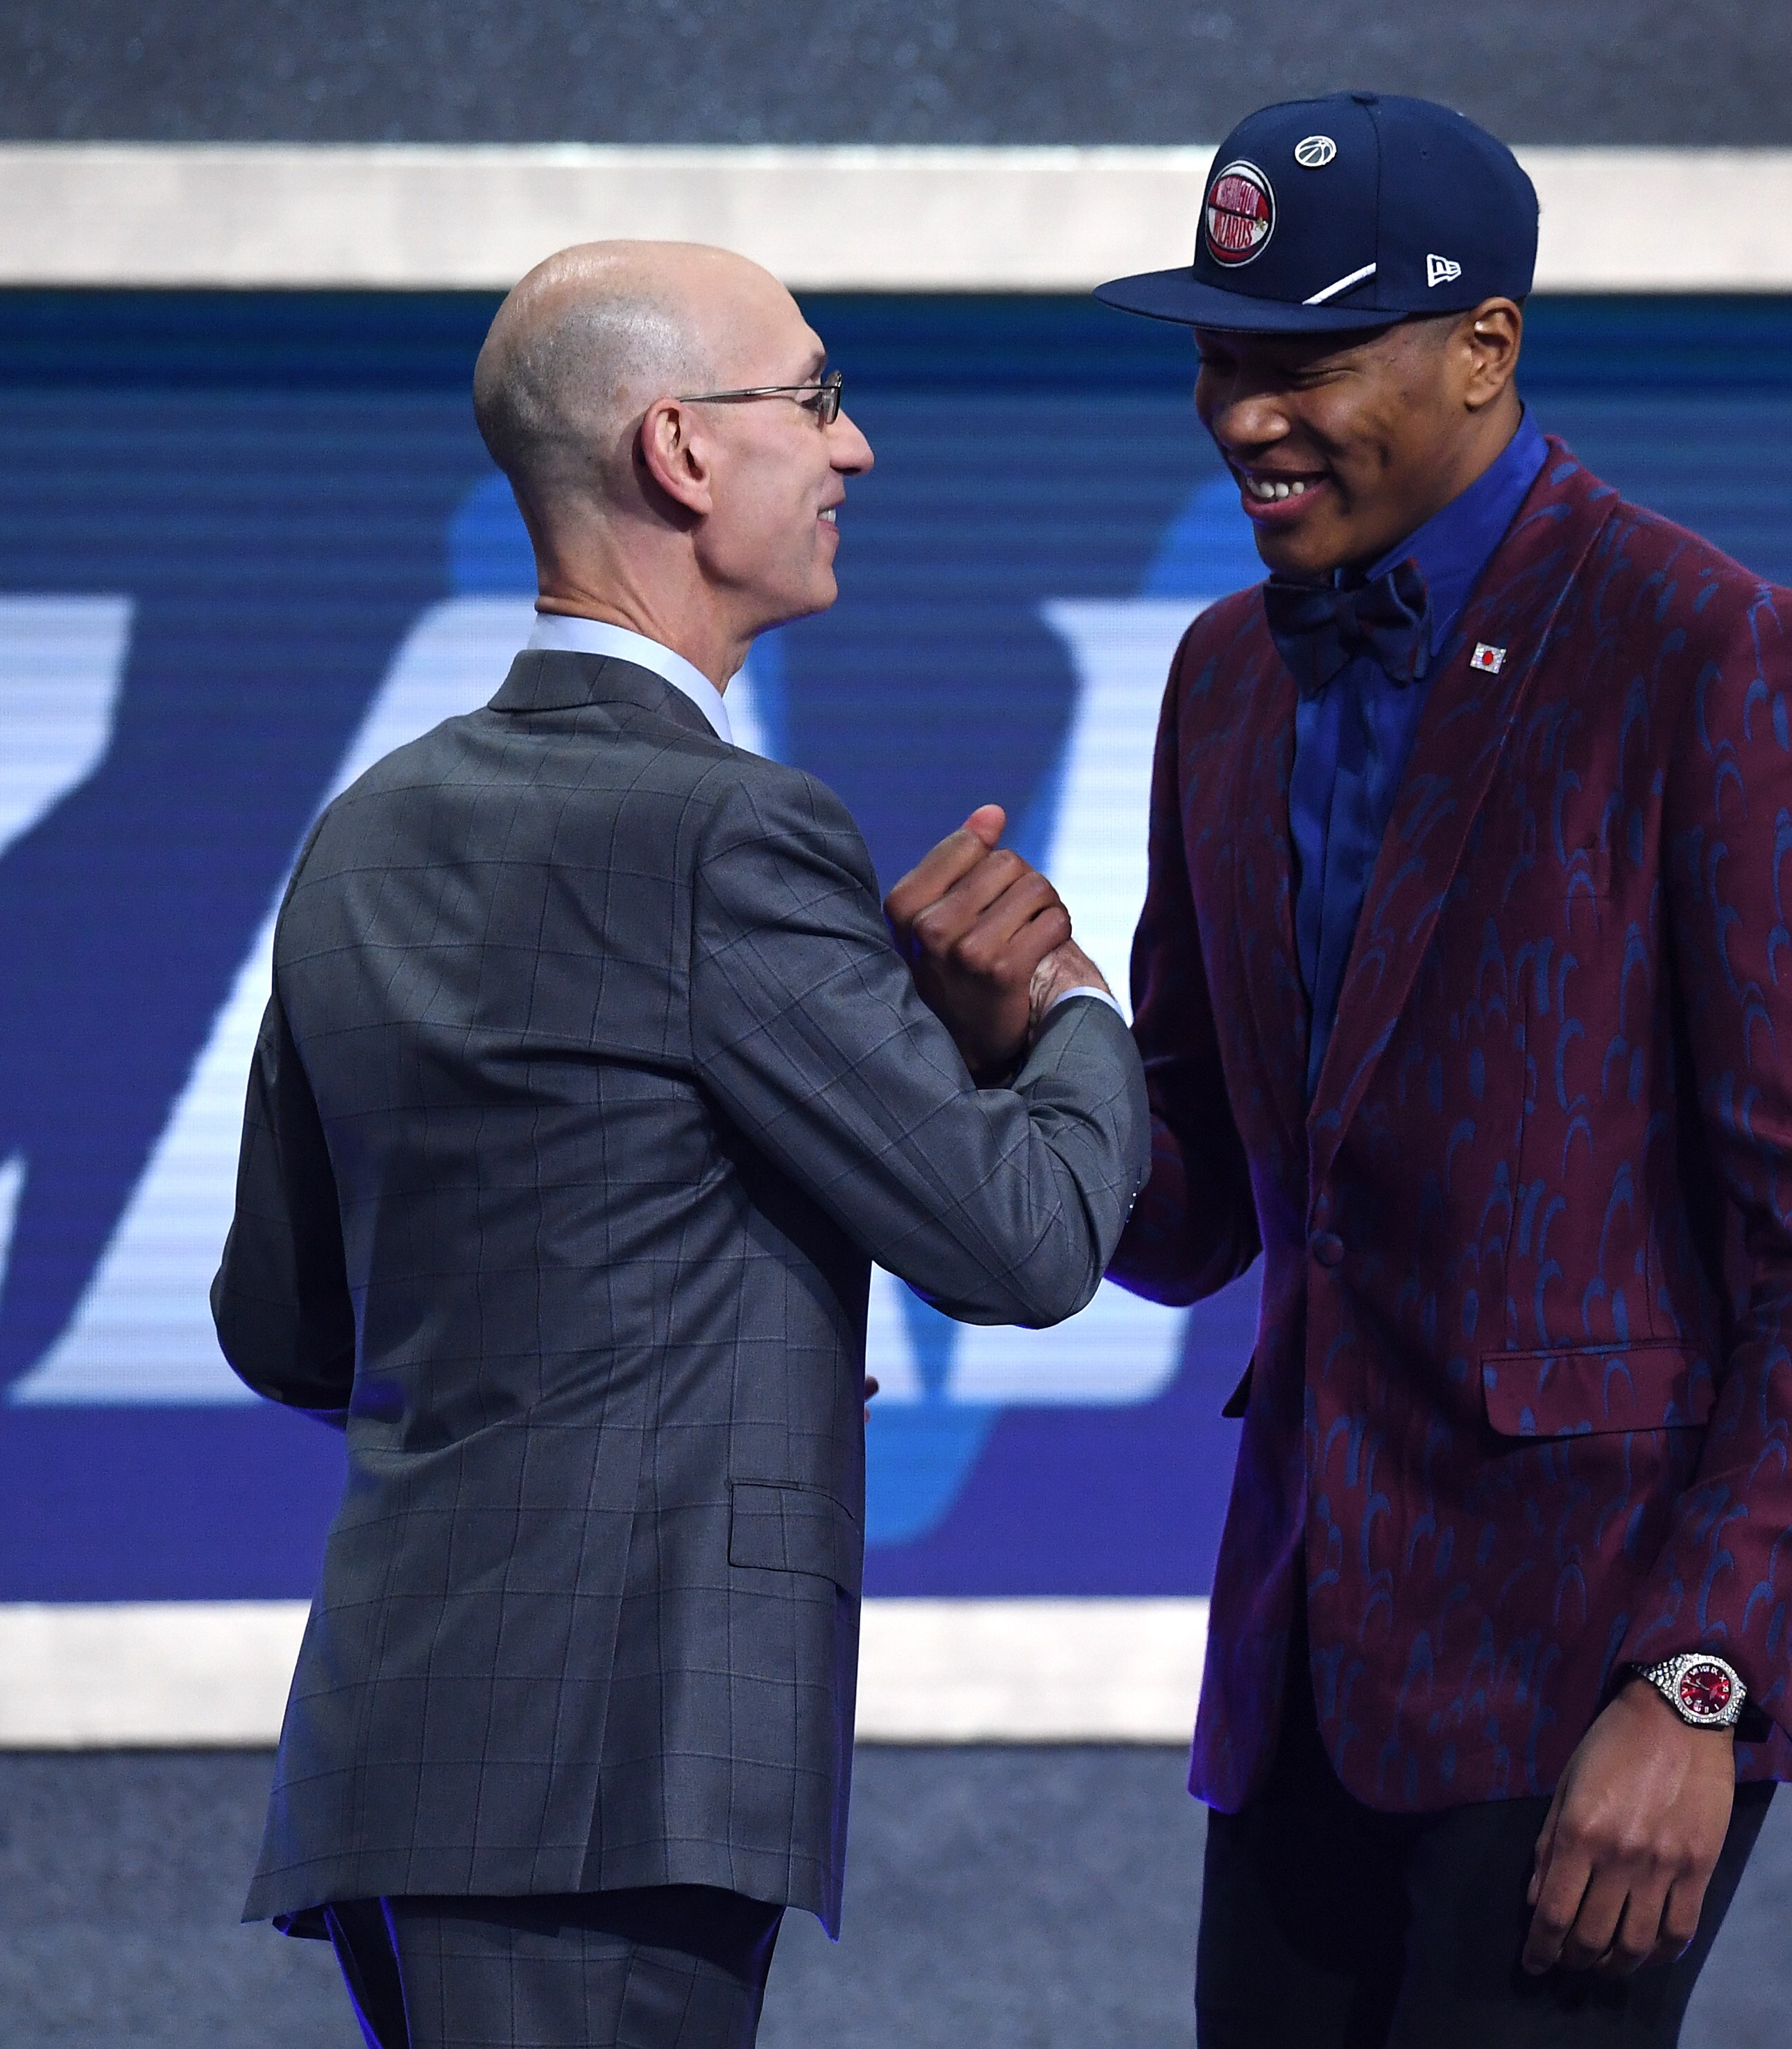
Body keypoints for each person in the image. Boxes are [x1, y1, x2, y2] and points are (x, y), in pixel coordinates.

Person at [211, 239, 1146, 2049]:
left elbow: (287, 1322)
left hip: (410, 1754)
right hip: (610, 1772)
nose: (852, 448)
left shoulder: (369, 830)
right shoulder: (731, 834)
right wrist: (1060, 1012)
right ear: (680, 453)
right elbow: (1026, 1238)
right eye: (813, 397)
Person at [1092, 94, 1792, 2047]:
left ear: (1486, 345)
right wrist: (1025, 1046)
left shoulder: (1721, 655)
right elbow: (1191, 1213)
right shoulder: (1221, 674)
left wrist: (1707, 1671)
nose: (1242, 418)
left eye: (1305, 361)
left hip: (1595, 1668)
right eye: (1224, 358)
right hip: (1297, 1667)